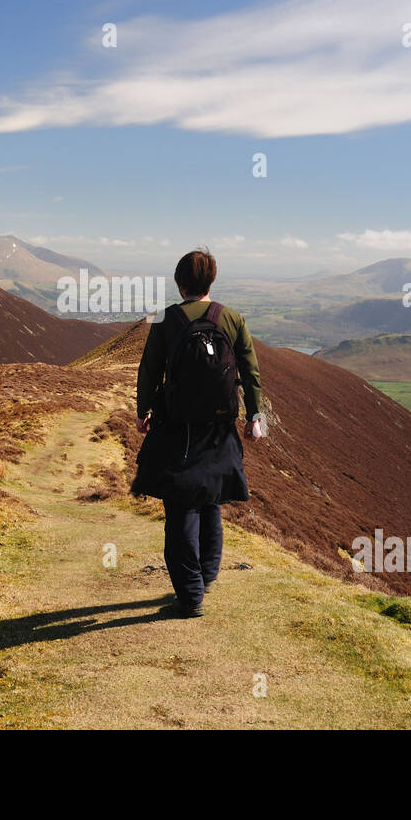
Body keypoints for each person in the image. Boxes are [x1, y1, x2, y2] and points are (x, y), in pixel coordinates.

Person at [130, 248, 264, 618]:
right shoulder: (232, 319)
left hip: (177, 427)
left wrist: (144, 412)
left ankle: (190, 597)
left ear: (179, 282)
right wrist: (255, 416)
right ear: (211, 281)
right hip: (220, 428)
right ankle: (205, 577)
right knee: (210, 498)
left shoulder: (165, 321)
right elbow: (250, 374)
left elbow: (148, 371)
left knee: (181, 505)